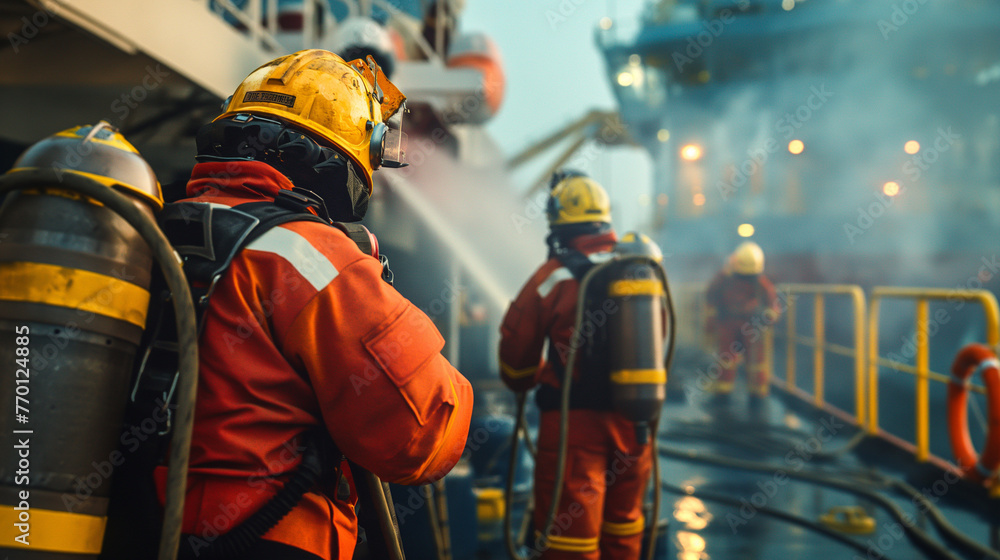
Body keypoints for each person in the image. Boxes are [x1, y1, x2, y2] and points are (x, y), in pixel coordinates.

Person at [157, 49, 473, 560]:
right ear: (345, 155)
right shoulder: (311, 257)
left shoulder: (156, 229)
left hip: (142, 526)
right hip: (271, 538)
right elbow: (422, 432)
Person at [498, 172, 653, 560]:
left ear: (558, 224)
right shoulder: (639, 269)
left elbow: (516, 361)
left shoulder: (554, 277)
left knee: (571, 544)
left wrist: (532, 377)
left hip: (574, 429)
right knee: (624, 530)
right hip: (636, 422)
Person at [704, 241, 780, 399]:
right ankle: (737, 390)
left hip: (743, 324)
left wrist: (768, 316)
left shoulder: (752, 280)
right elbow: (711, 294)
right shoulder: (728, 278)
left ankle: (747, 390)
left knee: (751, 359)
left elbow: (772, 304)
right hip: (737, 324)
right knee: (735, 358)